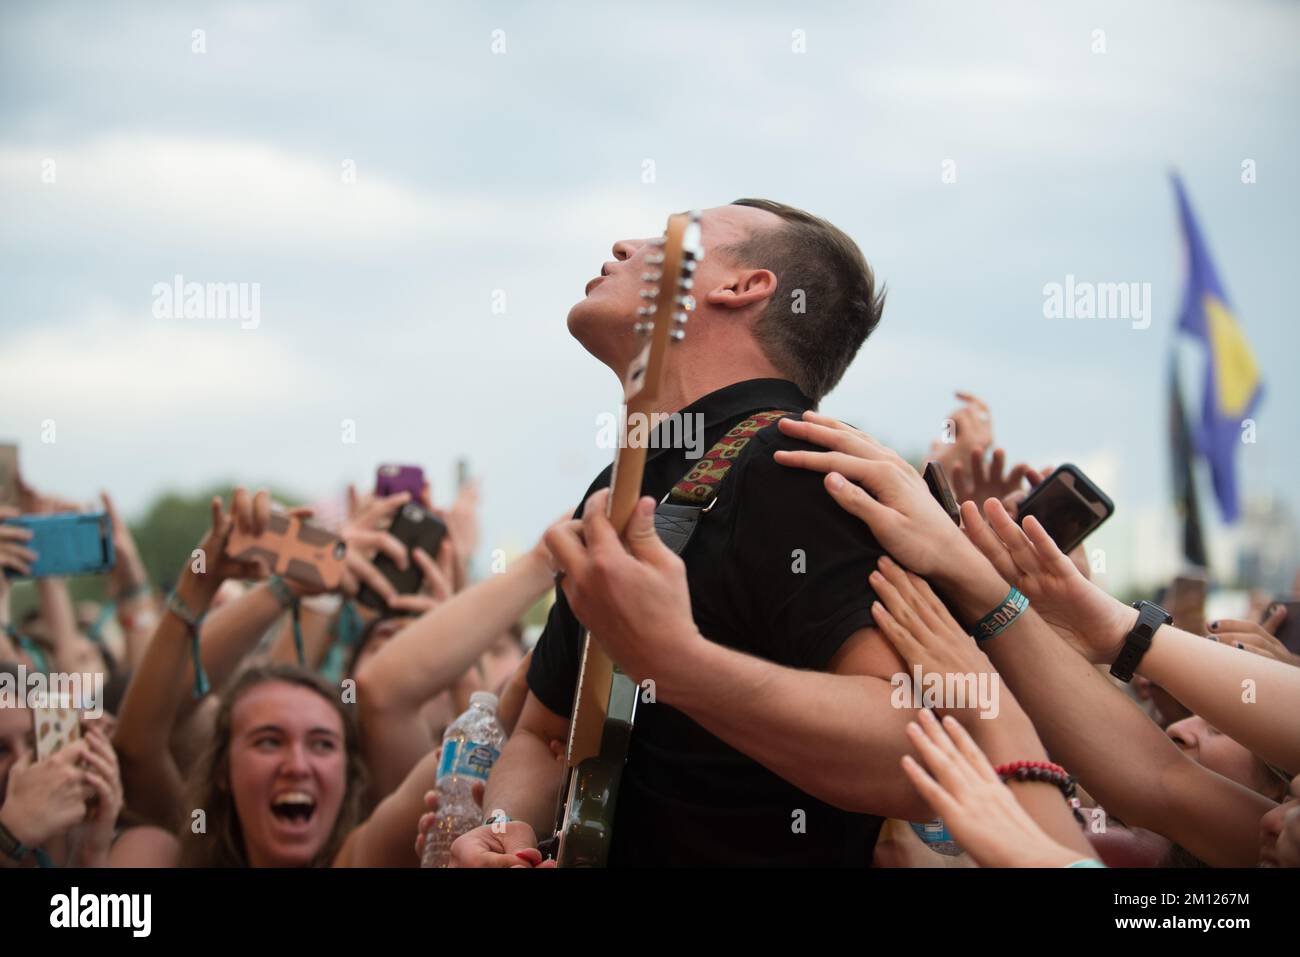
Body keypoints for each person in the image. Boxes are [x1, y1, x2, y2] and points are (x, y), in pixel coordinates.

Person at [453, 200, 1092, 867]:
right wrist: (506, 828)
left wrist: (680, 664)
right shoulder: (617, 491)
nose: (621, 246)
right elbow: (541, 732)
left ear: (744, 286)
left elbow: (916, 750)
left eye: (672, 235)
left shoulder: (803, 466)